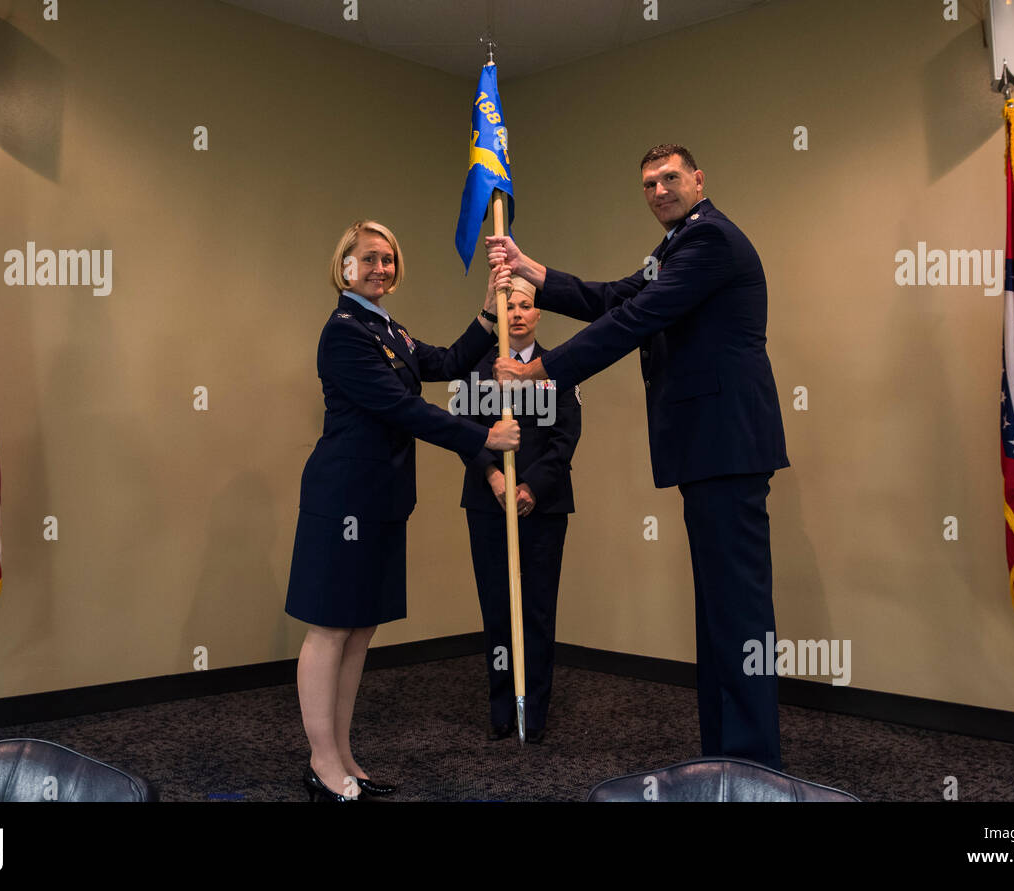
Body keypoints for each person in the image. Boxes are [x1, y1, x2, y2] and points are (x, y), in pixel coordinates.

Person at [487, 145, 789, 769]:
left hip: (725, 444)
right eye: (648, 183)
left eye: (670, 178)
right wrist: (530, 268)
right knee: (719, 611)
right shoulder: (677, 245)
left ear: (699, 179)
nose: (658, 190)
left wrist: (541, 369)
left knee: (737, 610)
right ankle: (725, 755)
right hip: (708, 448)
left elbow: (637, 318)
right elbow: (616, 297)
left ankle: (753, 763)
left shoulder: (709, 241)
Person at [285, 219, 519, 801]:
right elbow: (401, 408)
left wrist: (489, 314)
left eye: (388, 259)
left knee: (360, 629)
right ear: (343, 266)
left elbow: (446, 361)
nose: (380, 268)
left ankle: (343, 757)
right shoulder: (344, 331)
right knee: (331, 626)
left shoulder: (386, 329)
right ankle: (321, 762)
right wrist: (482, 438)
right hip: (343, 498)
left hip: (382, 498)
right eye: (368, 258)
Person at [457, 276, 581, 744]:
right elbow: (464, 432)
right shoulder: (477, 367)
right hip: (488, 503)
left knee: (537, 611)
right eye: (510, 307)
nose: (518, 315)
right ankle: (501, 709)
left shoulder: (557, 368)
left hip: (543, 506)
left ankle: (536, 711)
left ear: (539, 313)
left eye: (527, 306)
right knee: (497, 608)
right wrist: (494, 477)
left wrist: (531, 487)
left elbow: (566, 438)